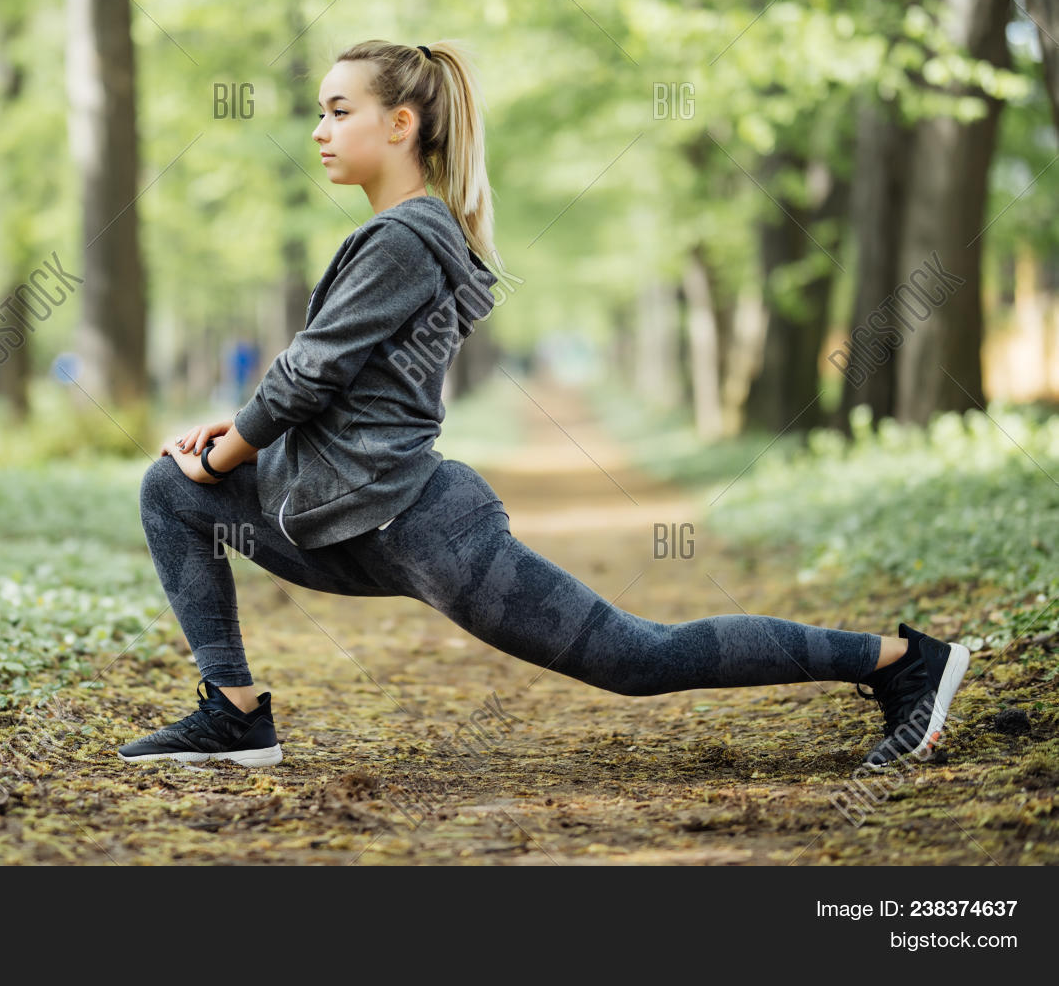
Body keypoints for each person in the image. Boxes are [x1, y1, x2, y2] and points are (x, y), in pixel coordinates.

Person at [120, 38, 969, 773]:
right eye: (320, 112)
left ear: (401, 124)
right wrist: (239, 436)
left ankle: (903, 663)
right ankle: (234, 715)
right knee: (171, 491)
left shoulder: (405, 235)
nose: (319, 131)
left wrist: (232, 451)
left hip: (418, 527)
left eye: (338, 111)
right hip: (346, 518)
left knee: (639, 656)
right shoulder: (404, 232)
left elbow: (310, 372)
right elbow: (341, 387)